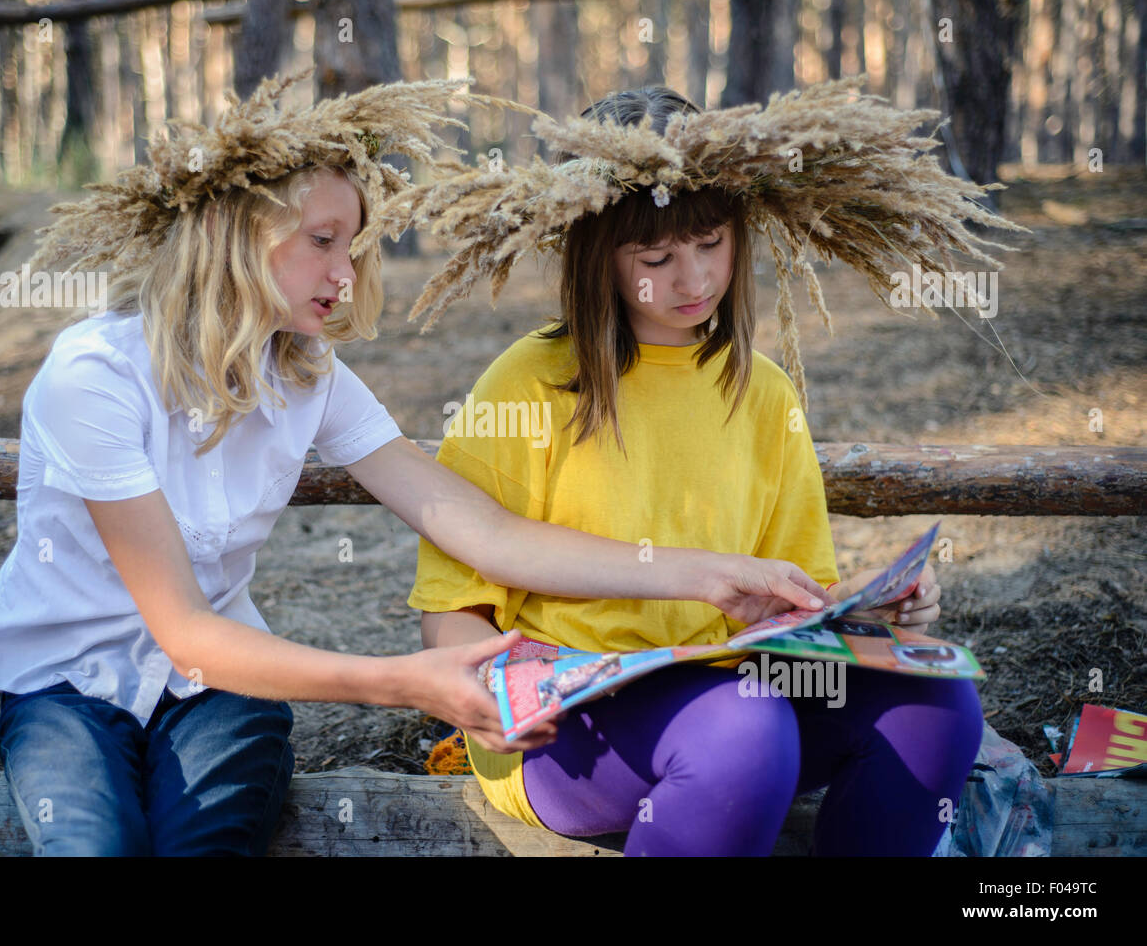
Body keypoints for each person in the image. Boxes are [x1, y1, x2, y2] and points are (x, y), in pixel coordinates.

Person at [0, 73, 832, 857]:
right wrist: (402, 683)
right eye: (323, 241)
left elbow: (483, 531)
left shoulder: (307, 375)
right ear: (235, 232)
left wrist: (708, 573)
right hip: (70, 688)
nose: (347, 272)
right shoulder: (95, 377)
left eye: (356, 243)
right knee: (92, 843)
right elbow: (184, 629)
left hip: (214, 694)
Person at [358, 78, 1025, 855]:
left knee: (935, 703)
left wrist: (876, 614)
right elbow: (451, 614)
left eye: (712, 244)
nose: (694, 279)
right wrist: (488, 700)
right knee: (745, 724)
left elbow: (793, 605)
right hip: (566, 732)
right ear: (595, 253)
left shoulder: (765, 393)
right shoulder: (526, 386)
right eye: (656, 256)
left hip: (741, 690)